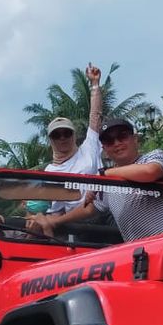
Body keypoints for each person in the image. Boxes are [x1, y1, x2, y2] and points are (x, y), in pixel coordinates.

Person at [27, 116, 163, 242]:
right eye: (109, 140)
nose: (116, 143)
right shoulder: (107, 185)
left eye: (122, 136)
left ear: (135, 139)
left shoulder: (153, 157)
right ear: (105, 149)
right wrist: (54, 221)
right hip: (145, 255)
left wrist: (104, 176)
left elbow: (150, 172)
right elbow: (89, 209)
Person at [44, 63, 107, 215]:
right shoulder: (49, 171)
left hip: (105, 214)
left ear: (73, 135)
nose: (62, 137)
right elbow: (57, 209)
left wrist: (94, 84)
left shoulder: (89, 147)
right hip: (77, 226)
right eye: (57, 135)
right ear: (51, 140)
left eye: (67, 133)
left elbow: (95, 116)